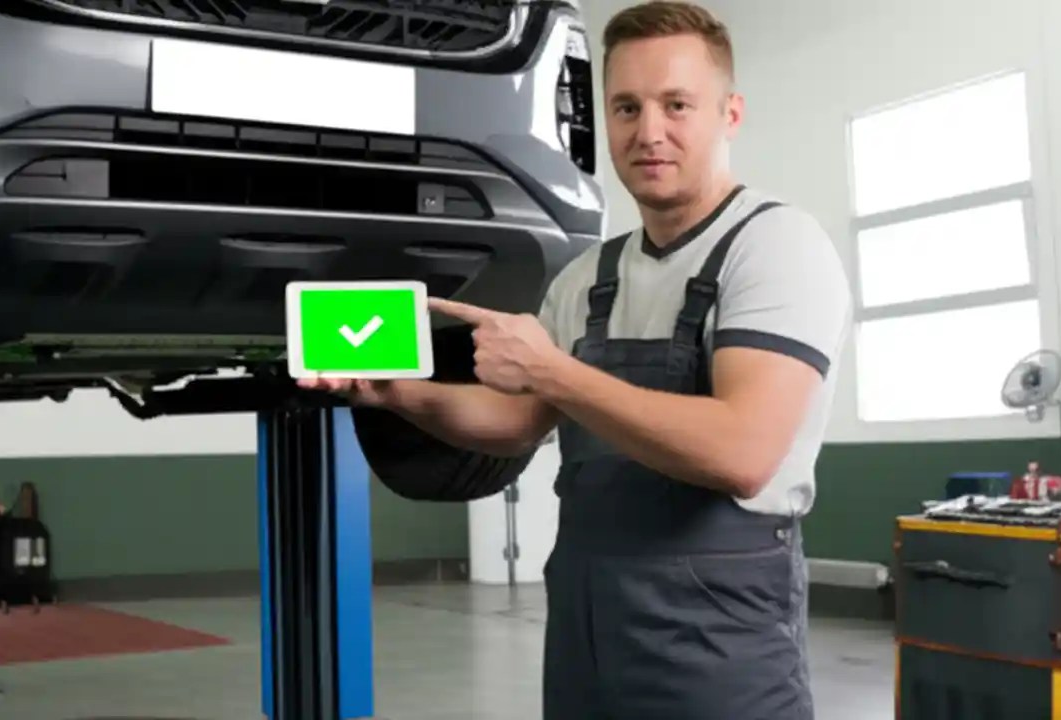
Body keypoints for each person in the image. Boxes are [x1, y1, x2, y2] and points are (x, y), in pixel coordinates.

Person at [300, 1, 852, 717]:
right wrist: (398, 394)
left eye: (676, 104)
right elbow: (520, 422)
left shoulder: (776, 247)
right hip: (589, 625)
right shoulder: (590, 275)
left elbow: (742, 451)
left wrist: (552, 369)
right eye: (625, 107)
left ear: (730, 114)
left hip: (720, 632)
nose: (648, 132)